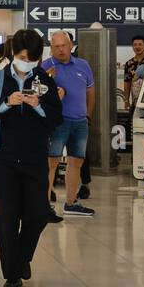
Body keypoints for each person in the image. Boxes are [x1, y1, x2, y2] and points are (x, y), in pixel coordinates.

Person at [0, 28, 63, 287]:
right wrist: (7, 103)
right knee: (7, 216)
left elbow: (55, 119)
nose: (27, 61)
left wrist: (37, 105)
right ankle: (12, 273)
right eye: (23, 56)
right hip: (2, 158)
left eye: (32, 58)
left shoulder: (43, 80)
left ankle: (22, 256)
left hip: (35, 157)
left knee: (38, 213)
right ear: (14, 54)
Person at [42, 31, 96, 219]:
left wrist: (88, 115)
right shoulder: (46, 66)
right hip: (58, 122)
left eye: (64, 45)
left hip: (80, 122)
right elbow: (39, 95)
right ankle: (44, 204)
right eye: (56, 47)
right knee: (51, 162)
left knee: (76, 161)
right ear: (51, 48)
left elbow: (90, 92)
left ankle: (71, 202)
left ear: (71, 45)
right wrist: (48, 79)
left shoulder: (83, 65)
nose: (61, 50)